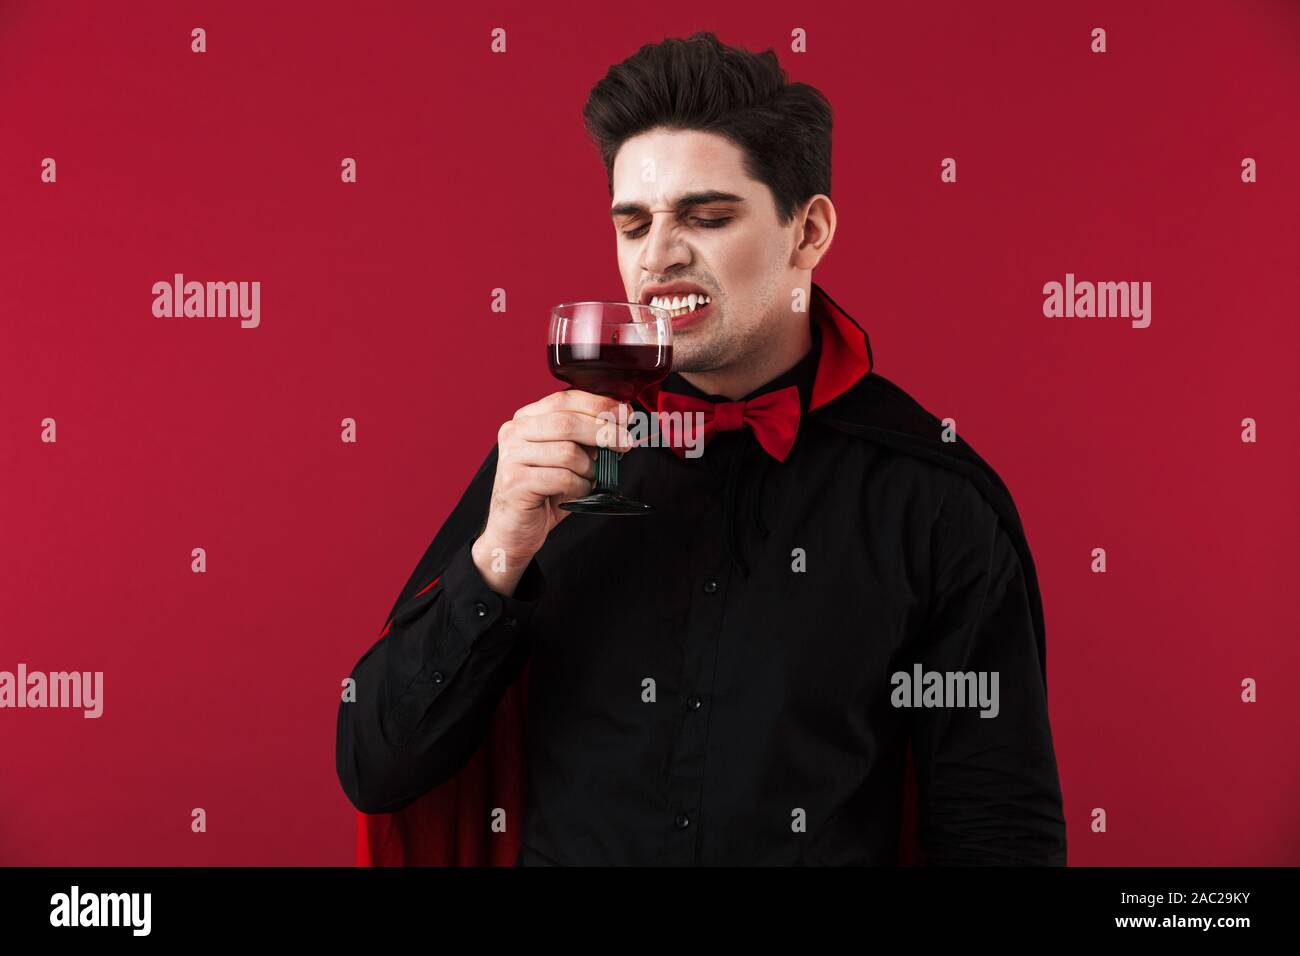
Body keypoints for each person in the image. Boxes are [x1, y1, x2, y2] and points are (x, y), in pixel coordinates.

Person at [336, 31, 1066, 866]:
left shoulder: (934, 501)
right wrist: (499, 556)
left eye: (706, 216)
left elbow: (999, 832)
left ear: (810, 230)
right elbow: (376, 767)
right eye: (634, 222)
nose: (657, 257)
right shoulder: (548, 466)